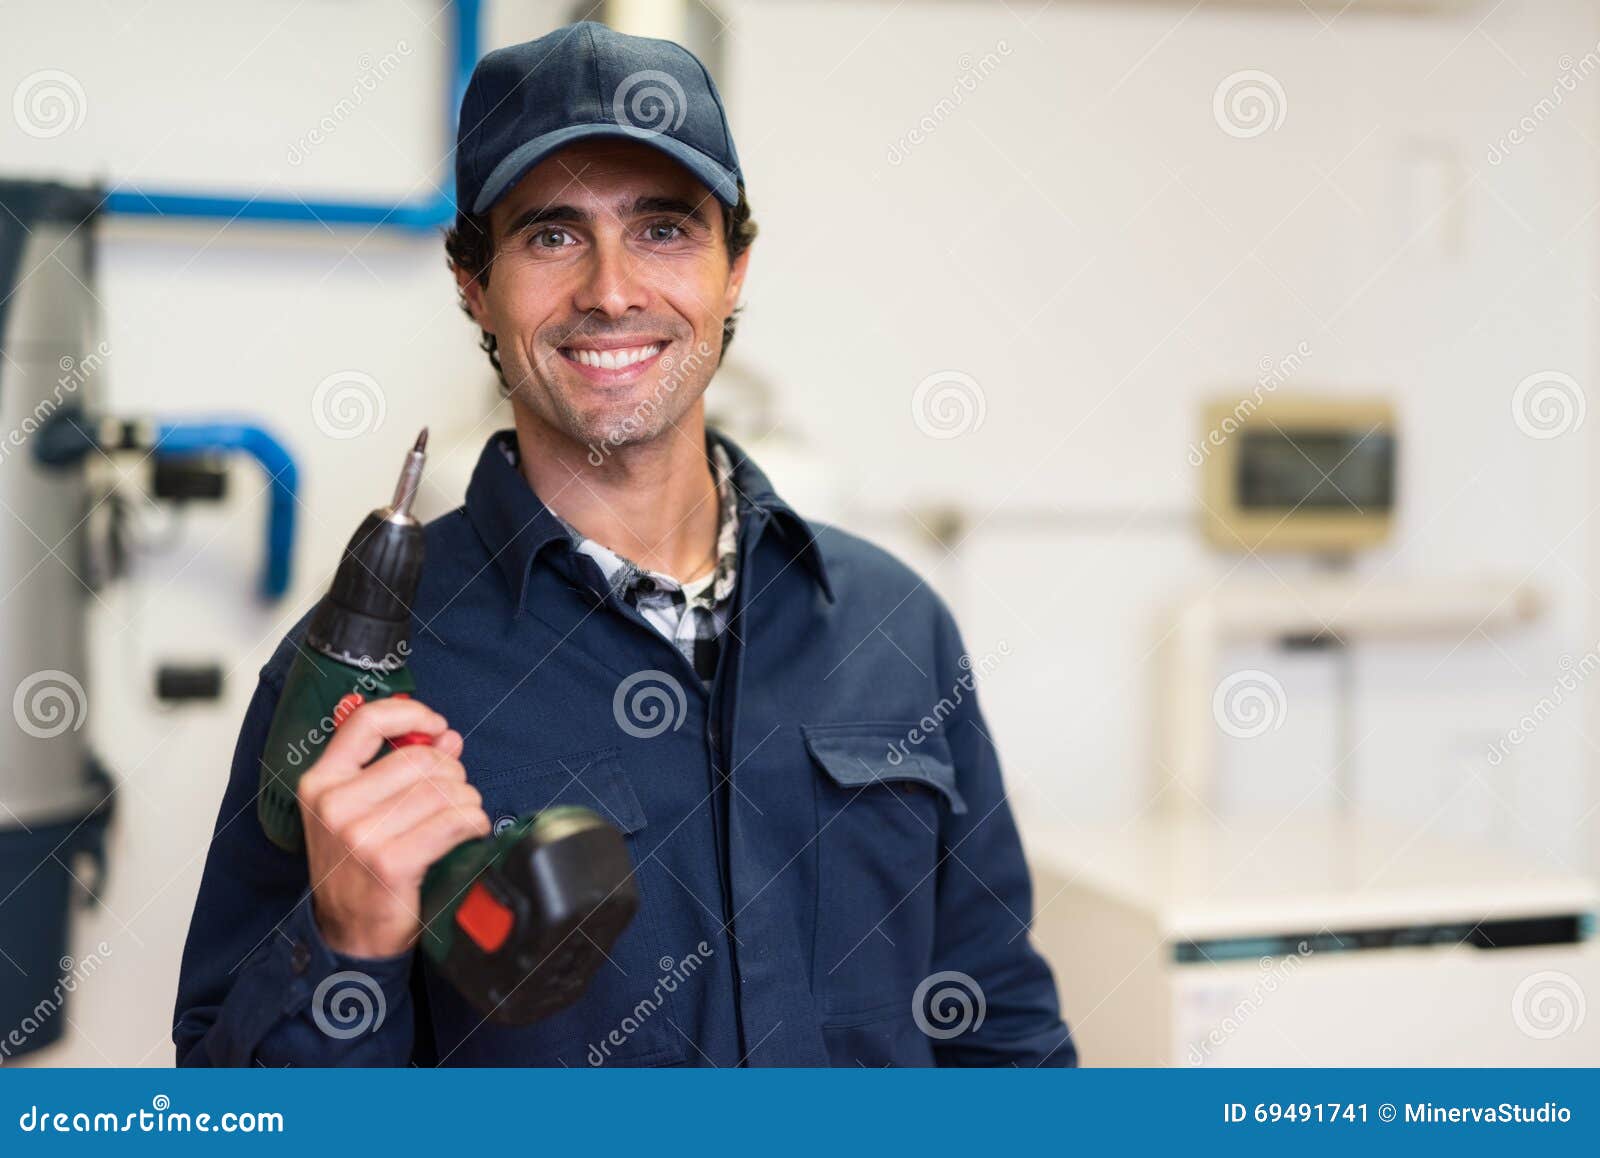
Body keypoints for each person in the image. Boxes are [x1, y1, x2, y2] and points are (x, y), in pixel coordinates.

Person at [174, 20, 1074, 1068]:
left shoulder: (894, 625)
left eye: (663, 229)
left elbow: (998, 1025)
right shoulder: (356, 689)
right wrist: (350, 947)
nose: (610, 289)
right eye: (552, 234)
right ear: (474, 282)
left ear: (734, 266)